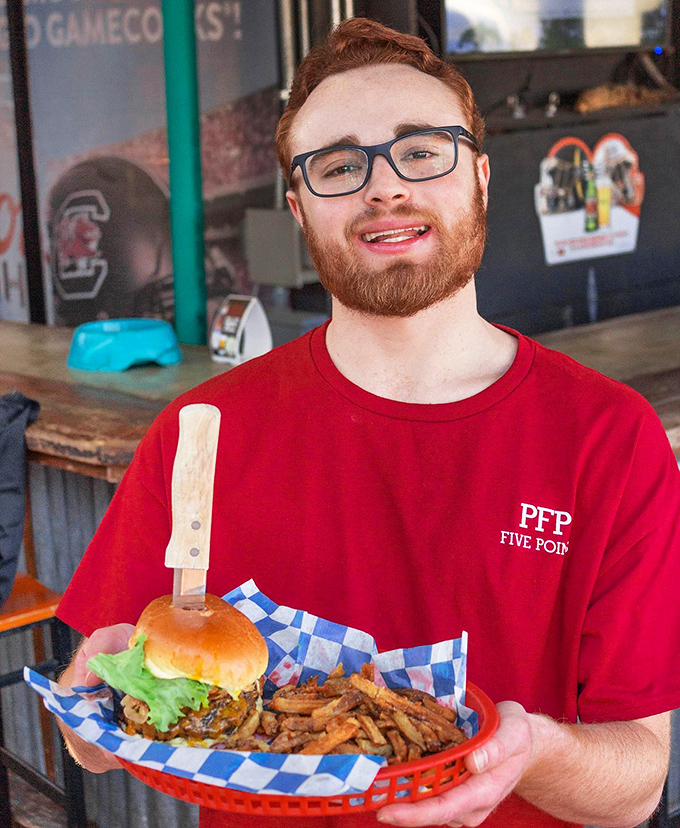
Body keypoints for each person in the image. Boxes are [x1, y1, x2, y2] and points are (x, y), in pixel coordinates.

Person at [55, 18, 680, 828]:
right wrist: (90, 716)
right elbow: (95, 739)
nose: (385, 187)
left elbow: (635, 790)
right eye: (339, 165)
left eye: (422, 151)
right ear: (299, 209)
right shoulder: (201, 434)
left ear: (482, 178)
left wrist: (535, 750)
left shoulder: (608, 437)